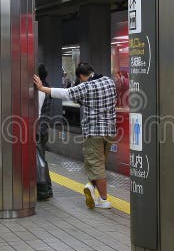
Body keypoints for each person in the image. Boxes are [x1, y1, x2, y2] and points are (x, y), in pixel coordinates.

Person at [33, 62, 116, 209]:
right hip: (110, 130)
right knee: (100, 162)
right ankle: (91, 186)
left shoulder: (86, 86)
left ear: (81, 76)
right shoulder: (109, 81)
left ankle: (103, 200)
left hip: (94, 131)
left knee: (95, 164)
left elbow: (65, 93)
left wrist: (41, 88)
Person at [36, 64, 53, 201]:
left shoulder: (39, 90)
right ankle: (47, 189)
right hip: (43, 129)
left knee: (40, 159)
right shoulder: (46, 87)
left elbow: (37, 112)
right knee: (41, 158)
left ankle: (44, 190)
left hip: (38, 130)